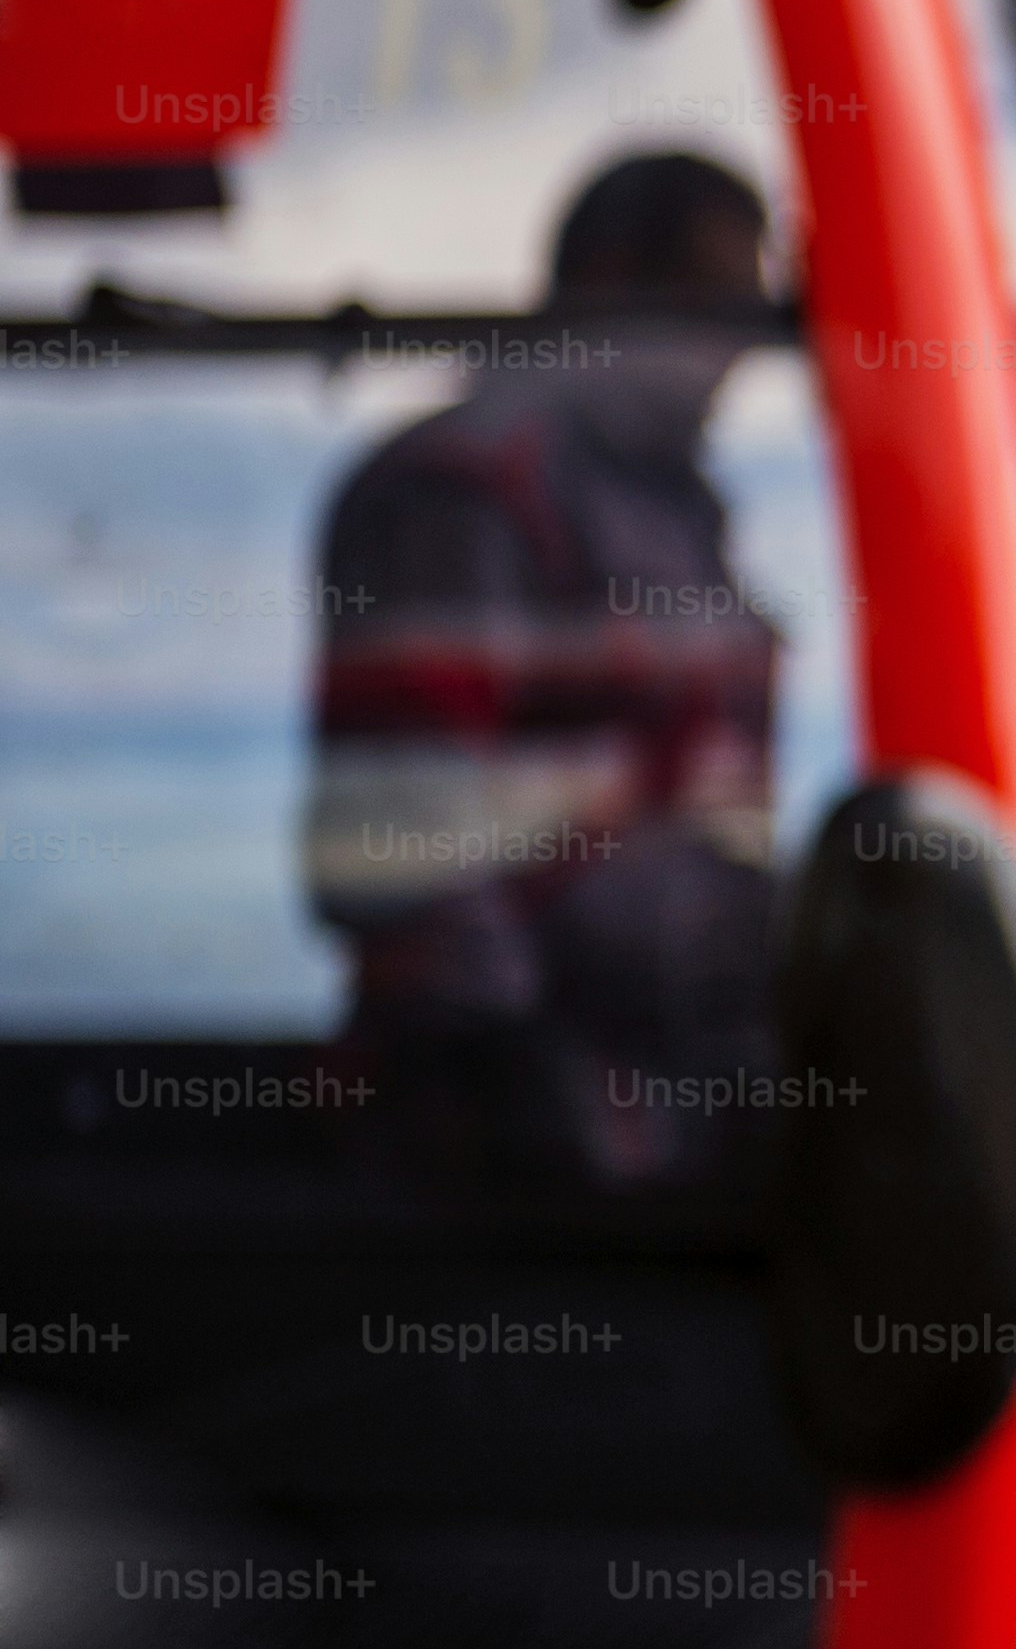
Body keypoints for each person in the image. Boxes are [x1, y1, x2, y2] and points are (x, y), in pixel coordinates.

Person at [306, 148, 789, 1189]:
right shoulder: (469, 487)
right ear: (613, 284)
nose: (733, 359)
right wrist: (513, 1106)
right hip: (525, 1156)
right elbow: (404, 836)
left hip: (677, 1119)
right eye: (716, 312)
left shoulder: (669, 508)